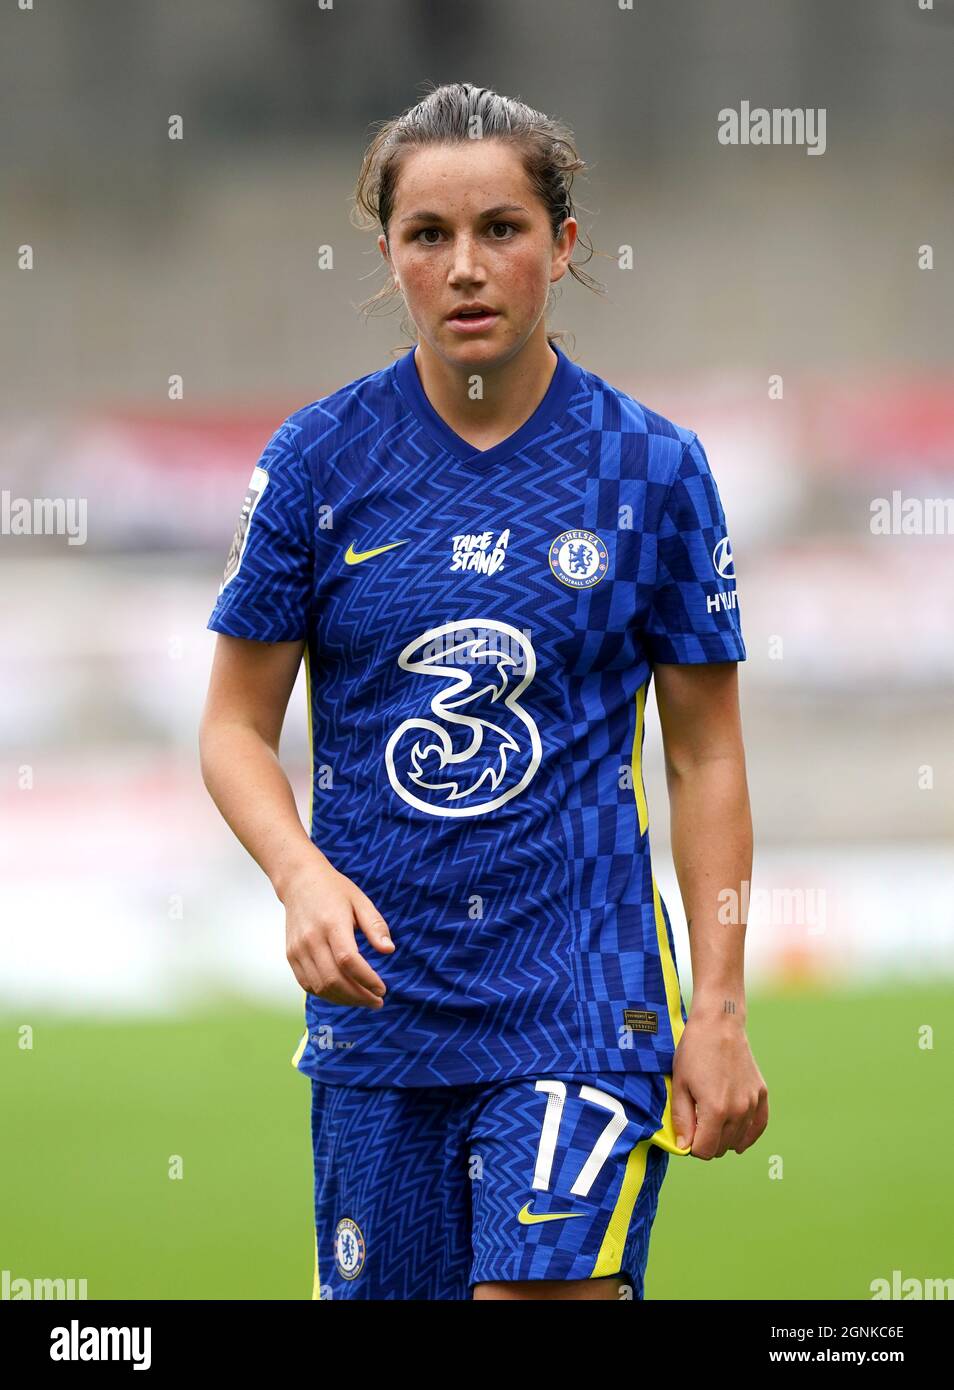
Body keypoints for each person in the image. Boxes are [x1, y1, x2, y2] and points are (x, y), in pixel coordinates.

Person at [199, 81, 767, 1302]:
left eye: (501, 229)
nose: (466, 267)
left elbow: (707, 754)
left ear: (561, 247)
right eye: (429, 236)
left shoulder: (651, 468)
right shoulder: (316, 463)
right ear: (390, 254)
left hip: (584, 998)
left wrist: (716, 1008)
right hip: (382, 1013)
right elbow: (234, 726)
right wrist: (298, 872)